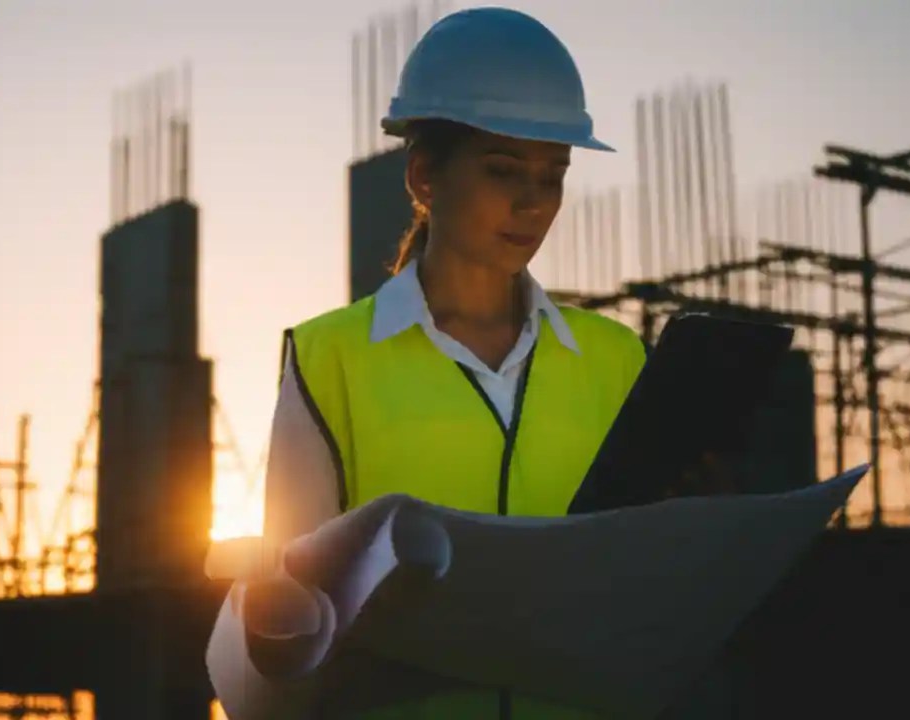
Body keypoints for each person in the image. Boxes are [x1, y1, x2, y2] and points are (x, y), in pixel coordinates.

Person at [206, 7, 695, 719]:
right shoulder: (329, 357)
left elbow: (651, 599)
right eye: (503, 170)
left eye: (553, 176)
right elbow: (291, 644)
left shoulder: (615, 359)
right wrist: (267, 609)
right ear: (424, 176)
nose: (533, 203)